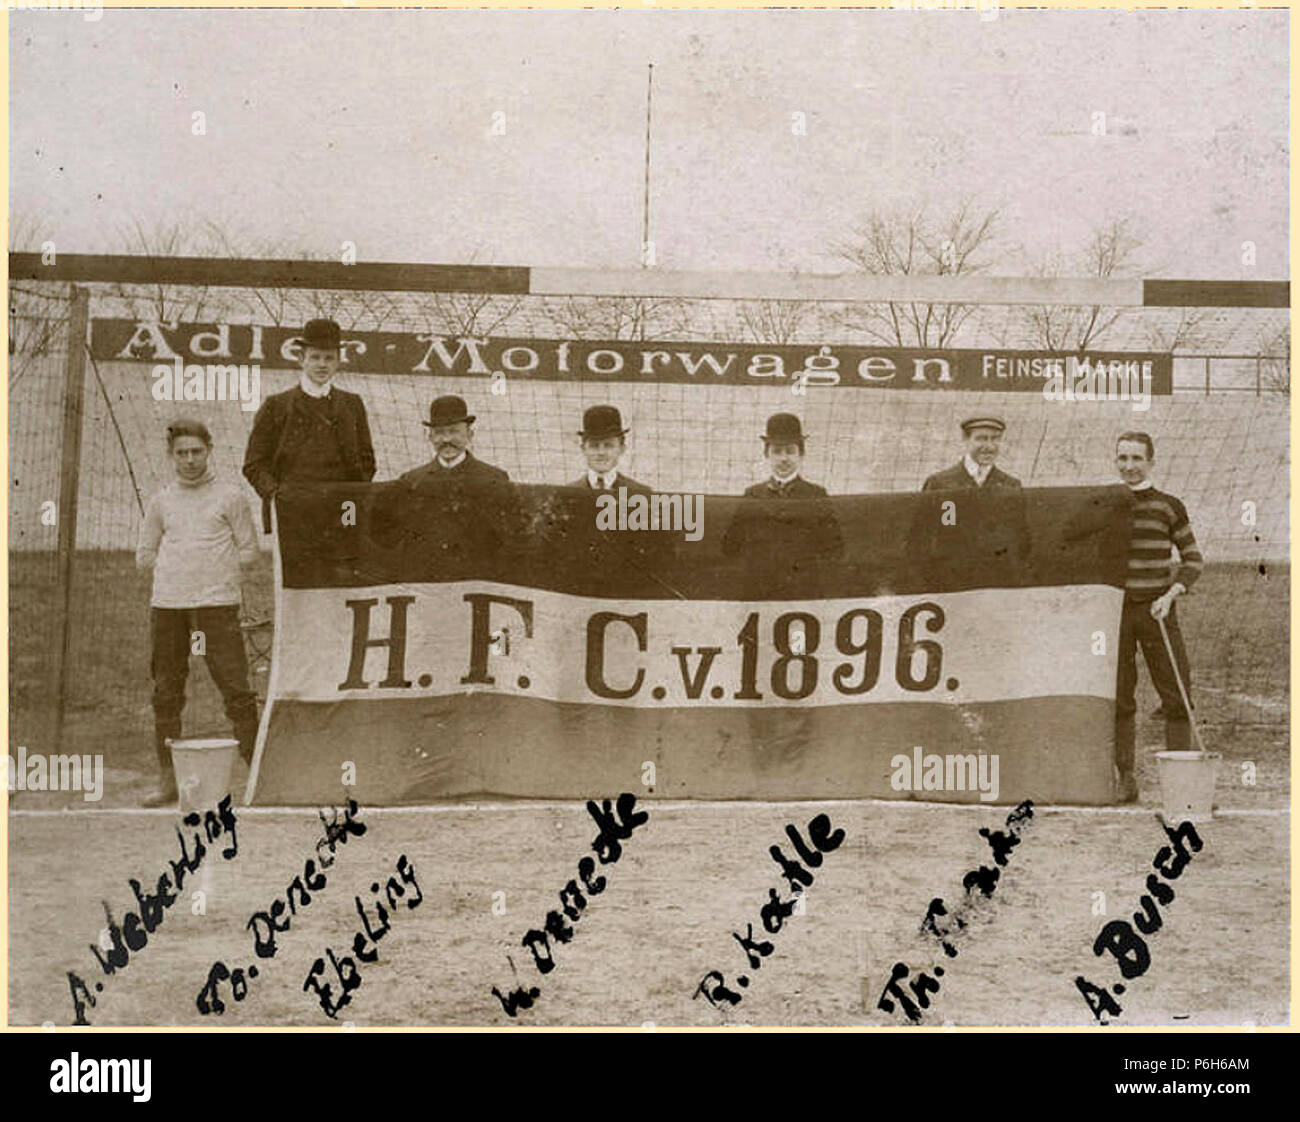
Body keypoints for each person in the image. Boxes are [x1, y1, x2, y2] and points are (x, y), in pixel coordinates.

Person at [136, 420, 261, 807]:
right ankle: (168, 779)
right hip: (170, 608)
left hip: (216, 608)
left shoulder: (230, 496)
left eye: (197, 452)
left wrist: (214, 576)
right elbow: (144, 556)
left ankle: (258, 774)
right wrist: (178, 570)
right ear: (171, 456)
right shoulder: (161, 500)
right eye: (181, 453)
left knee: (236, 690)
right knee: (166, 692)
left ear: (209, 450)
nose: (190, 460)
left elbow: (249, 551)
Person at [1113, 431, 1204, 803]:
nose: (1130, 466)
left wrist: (1172, 593)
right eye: (1123, 458)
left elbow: (1193, 559)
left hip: (1159, 611)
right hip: (1116, 616)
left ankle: (1181, 785)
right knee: (1119, 698)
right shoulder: (1104, 504)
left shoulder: (1169, 505)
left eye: (1137, 458)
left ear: (1151, 461)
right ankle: (1125, 778)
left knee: (1177, 694)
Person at [242, 318, 376, 532]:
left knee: (346, 563)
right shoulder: (276, 405)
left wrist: (353, 495)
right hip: (293, 510)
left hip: (344, 510)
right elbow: (254, 464)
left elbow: (367, 459)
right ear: (301, 359)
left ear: (338, 361)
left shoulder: (353, 404)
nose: (322, 364)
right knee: (296, 566)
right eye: (315, 357)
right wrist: (277, 495)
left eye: (329, 358)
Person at [400, 394, 510, 485]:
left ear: (469, 435)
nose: (446, 439)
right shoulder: (412, 480)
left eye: (454, 431)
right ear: (430, 437)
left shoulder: (494, 478)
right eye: (439, 432)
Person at [922, 416, 1022, 491]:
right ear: (965, 439)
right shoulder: (939, 483)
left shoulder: (1012, 486)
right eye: (981, 439)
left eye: (995, 439)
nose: (990, 446)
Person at [567, 405, 650, 494]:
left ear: (621, 449)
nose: (601, 452)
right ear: (583, 449)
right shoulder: (568, 493)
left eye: (608, 445)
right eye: (594, 446)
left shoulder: (640, 493)